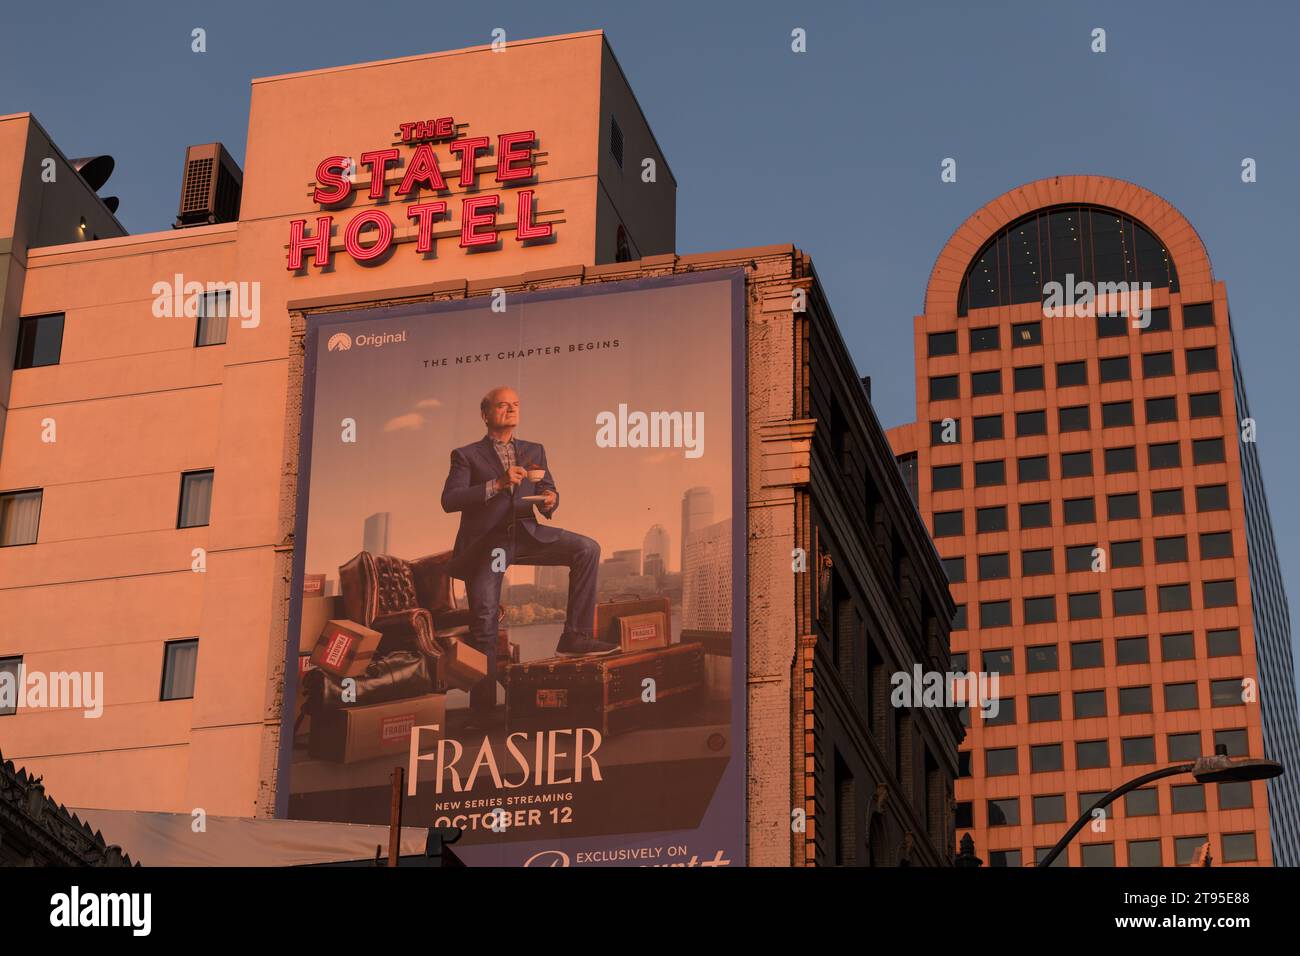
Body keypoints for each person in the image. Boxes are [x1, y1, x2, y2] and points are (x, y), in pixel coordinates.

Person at [441, 386, 617, 721]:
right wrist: (499, 483)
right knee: (484, 618)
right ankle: (482, 711)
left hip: (526, 532)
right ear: (485, 414)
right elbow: (450, 500)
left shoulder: (534, 449)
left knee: (587, 549)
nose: (511, 410)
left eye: (516, 405)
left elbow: (546, 487)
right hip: (489, 541)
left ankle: (575, 637)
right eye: (503, 405)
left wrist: (551, 499)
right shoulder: (465, 455)